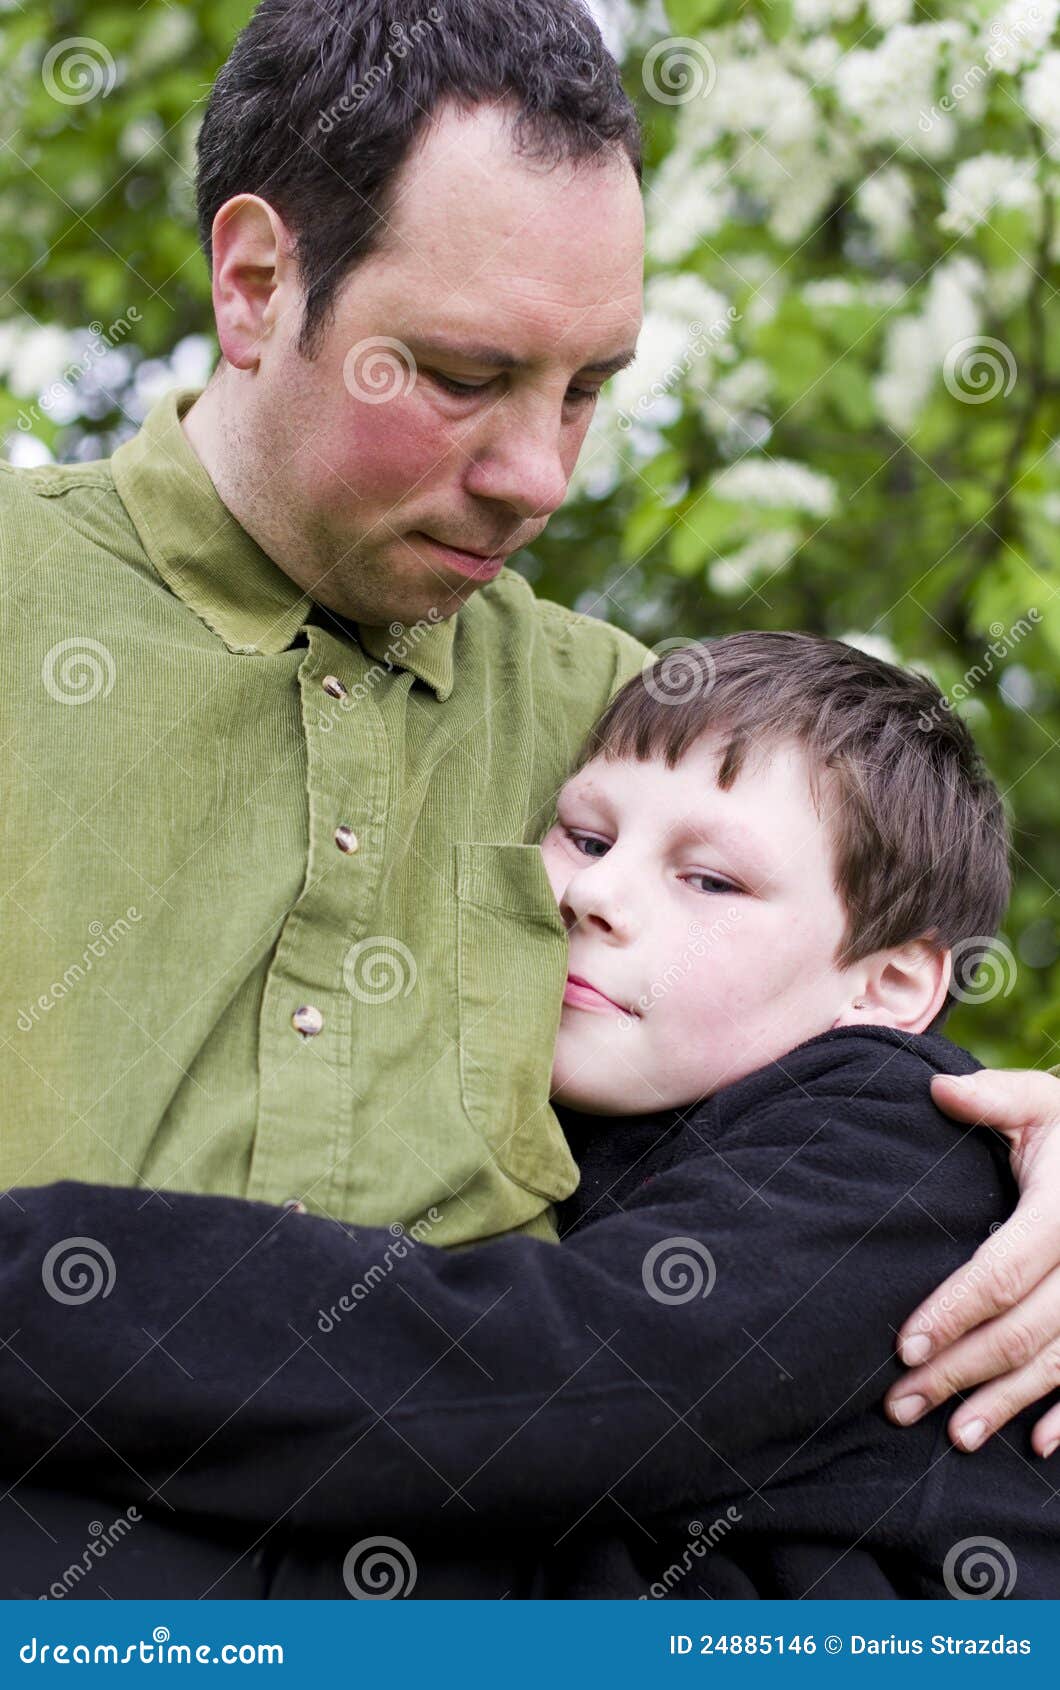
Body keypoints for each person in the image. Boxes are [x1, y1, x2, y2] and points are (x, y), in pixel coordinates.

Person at [3, 0, 1060, 1584]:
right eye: (459, 375)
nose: (539, 475)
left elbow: (829, 1079)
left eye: (585, 389)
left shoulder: (628, 719)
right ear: (254, 282)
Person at [1, 633, 1058, 1600]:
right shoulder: (617, 1122)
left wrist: (35, 1271)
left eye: (710, 877)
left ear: (883, 985)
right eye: (586, 836)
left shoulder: (901, 1143)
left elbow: (537, 1380)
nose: (592, 895)